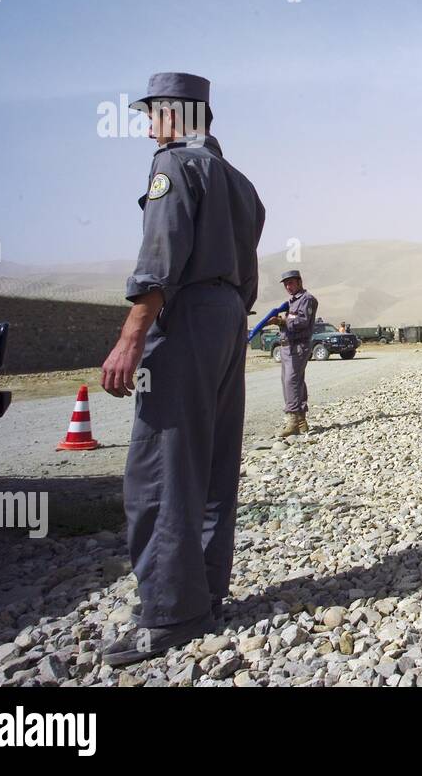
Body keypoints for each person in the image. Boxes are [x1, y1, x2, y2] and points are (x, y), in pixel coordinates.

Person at [100, 72, 265, 666]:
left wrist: (130, 336)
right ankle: (205, 594)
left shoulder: (174, 165)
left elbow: (162, 254)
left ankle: (170, 613)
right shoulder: (241, 183)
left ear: (177, 115)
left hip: (187, 311)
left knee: (161, 468)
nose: (147, 125)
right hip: (229, 318)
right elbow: (246, 267)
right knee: (215, 460)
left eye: (153, 114)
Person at [270, 270, 317, 437]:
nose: (288, 287)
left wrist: (282, 321)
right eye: (285, 284)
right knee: (292, 381)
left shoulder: (307, 299)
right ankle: (301, 420)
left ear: (299, 282)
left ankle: (292, 421)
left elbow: (302, 321)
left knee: (291, 381)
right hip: (286, 346)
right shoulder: (290, 302)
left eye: (291, 283)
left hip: (298, 347)